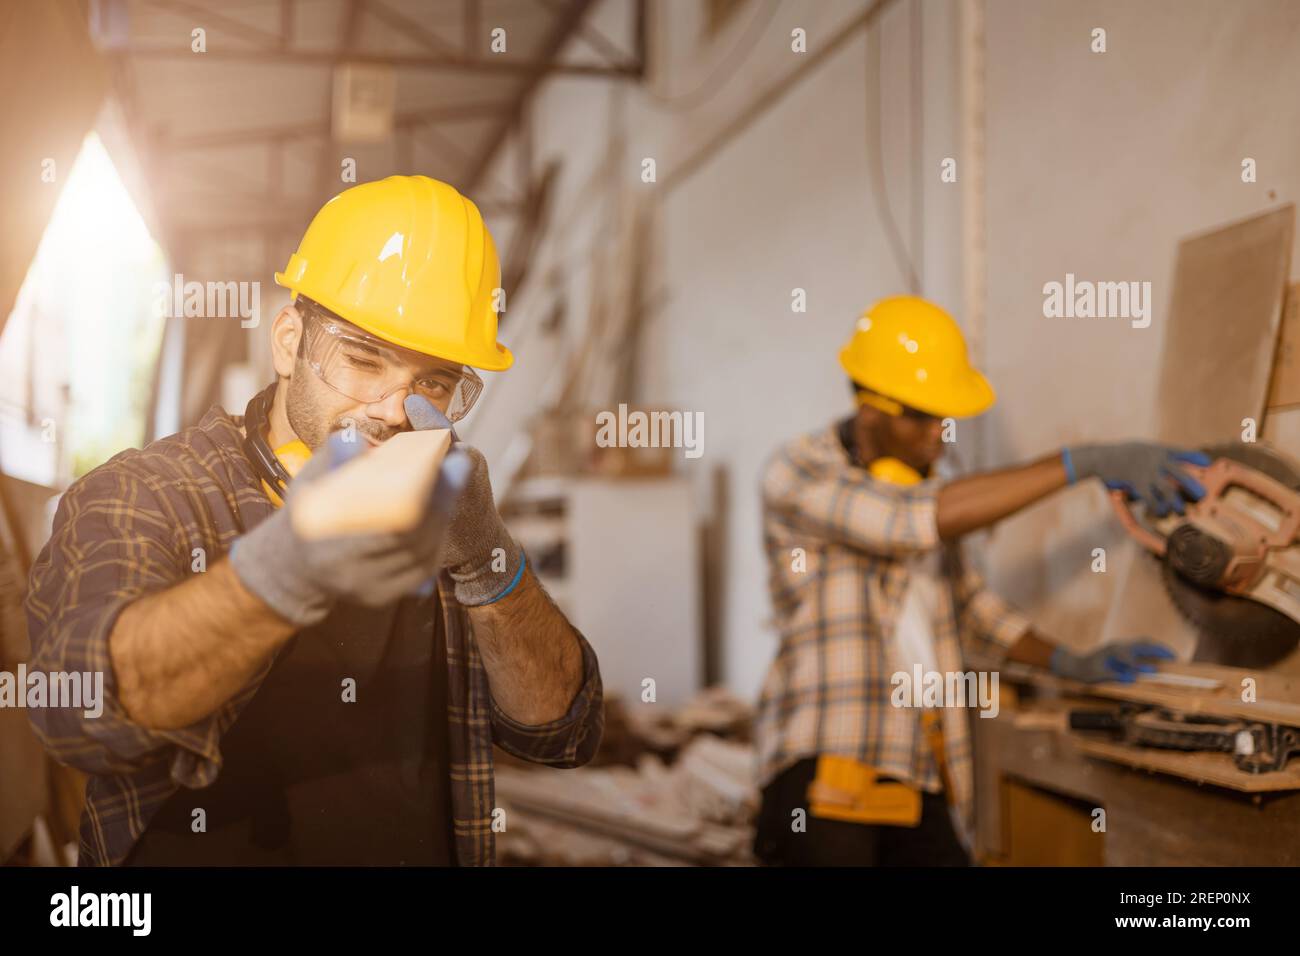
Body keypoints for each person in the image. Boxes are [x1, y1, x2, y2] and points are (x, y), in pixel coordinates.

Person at [25, 175, 603, 866]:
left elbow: (561, 733)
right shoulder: (149, 494)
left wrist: (489, 563)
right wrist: (288, 567)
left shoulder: (439, 512)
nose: (396, 409)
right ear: (289, 339)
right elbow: (81, 718)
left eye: (435, 382)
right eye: (363, 360)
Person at [752, 295, 1204, 866]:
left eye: (946, 420)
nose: (940, 437)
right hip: (828, 765)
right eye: (924, 418)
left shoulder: (927, 491)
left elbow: (975, 614)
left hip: (919, 763)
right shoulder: (796, 471)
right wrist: (1082, 461)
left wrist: (1071, 661)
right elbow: (905, 521)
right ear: (871, 409)